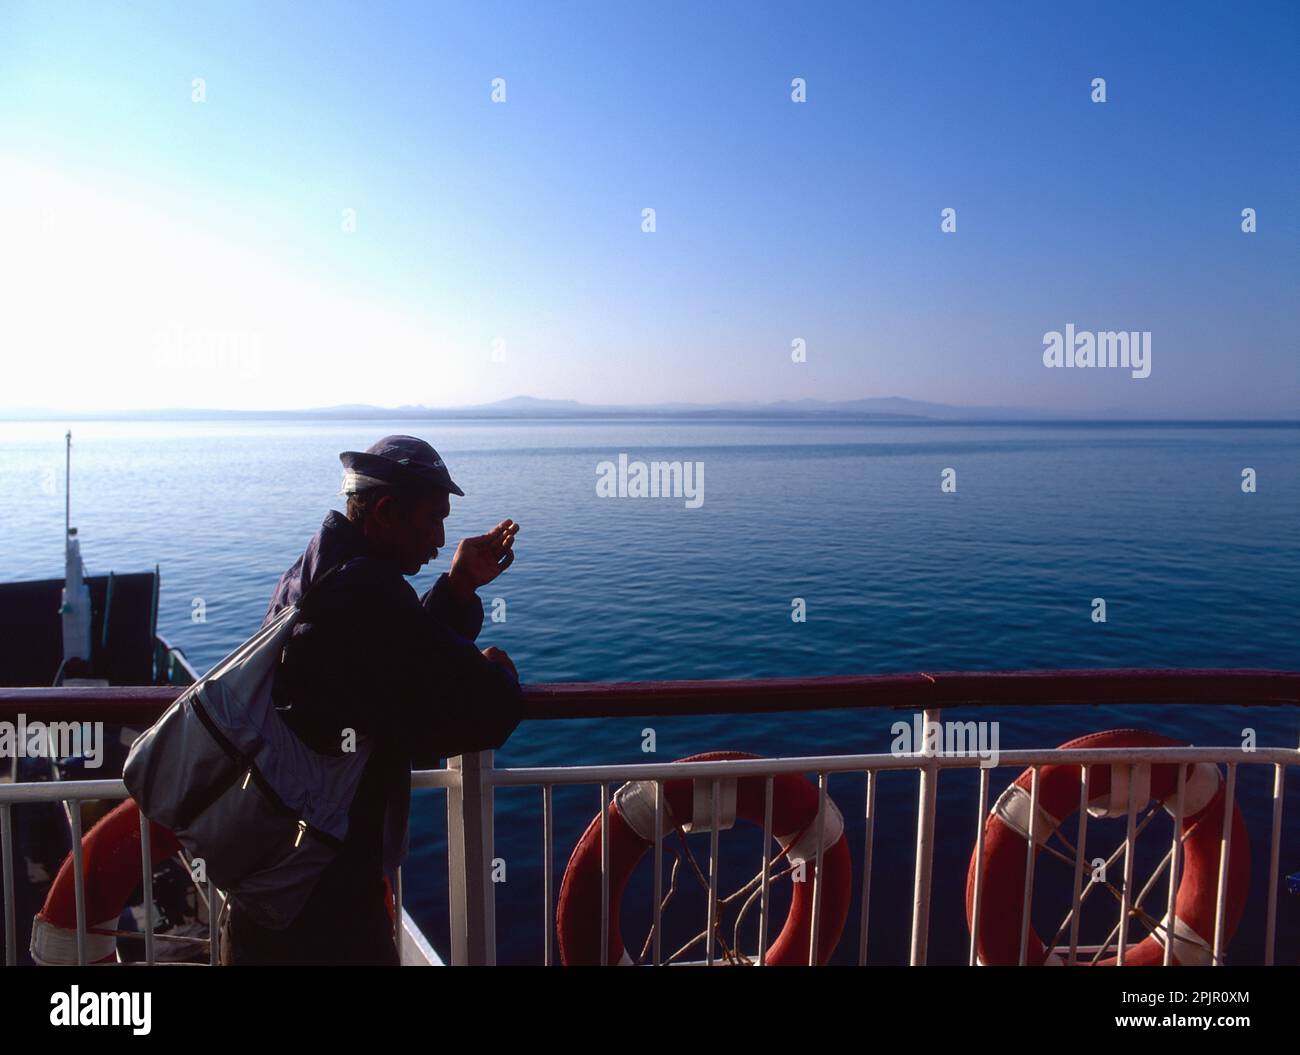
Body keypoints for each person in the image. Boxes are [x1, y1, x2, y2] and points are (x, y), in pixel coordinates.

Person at [219, 435, 523, 965]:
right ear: (385, 513)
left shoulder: (320, 571)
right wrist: (499, 673)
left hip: (278, 875)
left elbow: (400, 659)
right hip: (322, 900)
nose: (441, 536)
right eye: (433, 518)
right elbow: (472, 710)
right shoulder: (364, 594)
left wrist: (456, 587)